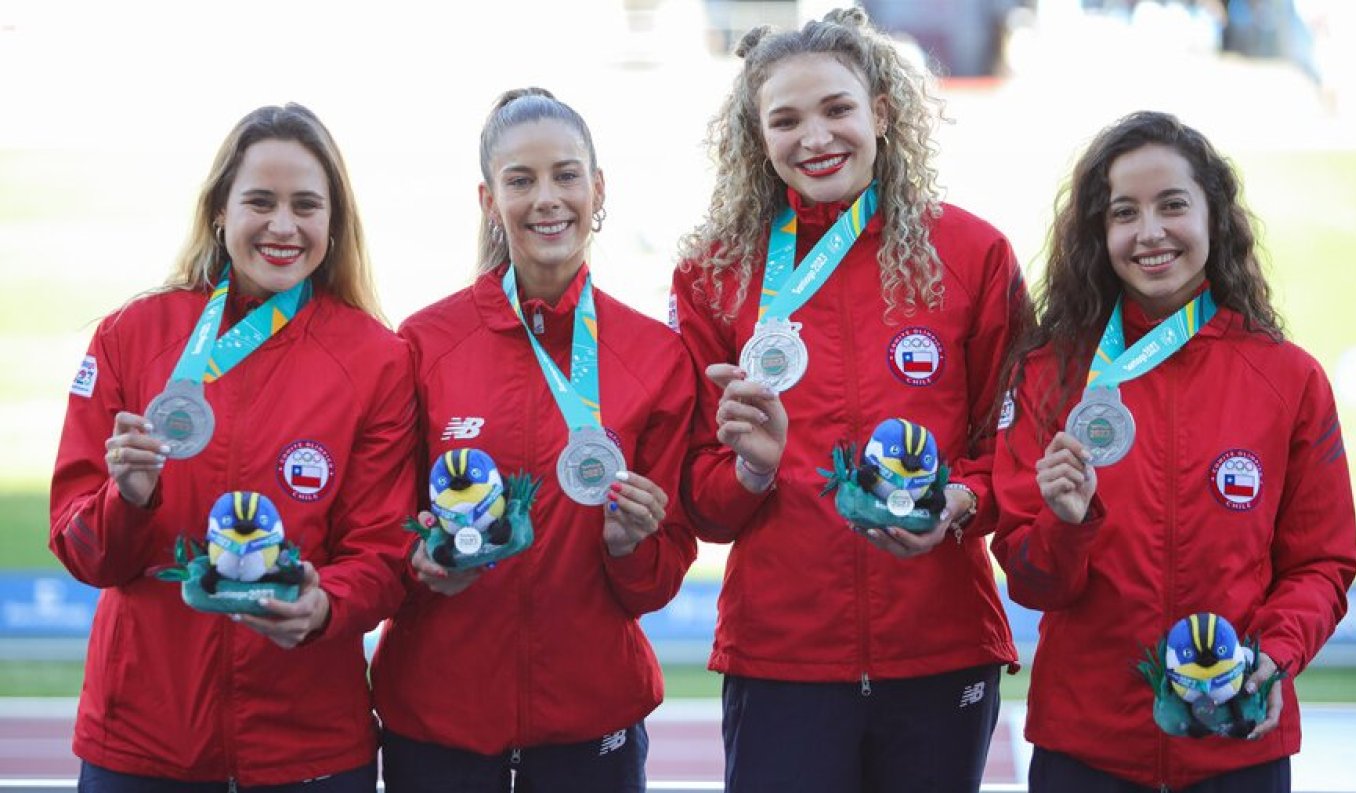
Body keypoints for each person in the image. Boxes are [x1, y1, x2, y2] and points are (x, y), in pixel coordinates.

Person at [671, 8, 1029, 791]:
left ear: (883, 112)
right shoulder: (713, 274)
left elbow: (1015, 452)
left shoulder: (972, 254)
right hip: (782, 654)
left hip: (940, 647)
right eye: (786, 119)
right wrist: (752, 471)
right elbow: (699, 500)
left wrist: (960, 500)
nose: (816, 137)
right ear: (756, 138)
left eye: (838, 109)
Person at [49, 103, 418, 790]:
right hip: (141, 741)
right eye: (260, 201)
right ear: (220, 210)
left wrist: (325, 603)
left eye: (306, 205)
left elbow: (384, 553)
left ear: (334, 225)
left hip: (308, 748)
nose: (283, 225)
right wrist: (125, 498)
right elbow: (77, 544)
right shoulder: (132, 335)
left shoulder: (377, 360)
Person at [990, 110, 1356, 792]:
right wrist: (1064, 524)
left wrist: (1271, 657)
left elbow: (1321, 562)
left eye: (1173, 205)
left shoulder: (1288, 378)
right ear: (1100, 235)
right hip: (1087, 748)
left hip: (1238, 742)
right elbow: (1033, 582)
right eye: (1125, 212)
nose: (1151, 232)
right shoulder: (1049, 375)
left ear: (1214, 215)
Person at [371, 88, 698, 793]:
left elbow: (661, 574)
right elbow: (379, 530)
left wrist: (629, 544)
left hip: (591, 727)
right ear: (489, 200)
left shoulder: (655, 357)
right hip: (437, 725)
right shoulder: (424, 343)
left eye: (566, 175)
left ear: (597, 187)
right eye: (521, 180)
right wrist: (423, 558)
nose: (547, 198)